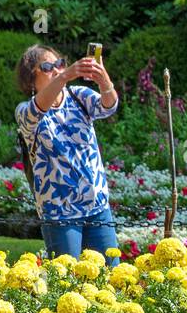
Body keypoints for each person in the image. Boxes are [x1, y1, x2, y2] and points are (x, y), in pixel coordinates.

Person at [14, 45, 121, 264]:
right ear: (30, 79)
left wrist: (104, 80)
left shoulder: (79, 96)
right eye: (47, 67)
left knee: (113, 278)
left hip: (97, 206)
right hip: (59, 214)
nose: (56, 69)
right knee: (67, 283)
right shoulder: (25, 112)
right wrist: (65, 75)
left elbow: (109, 106)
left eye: (60, 64)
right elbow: (37, 109)